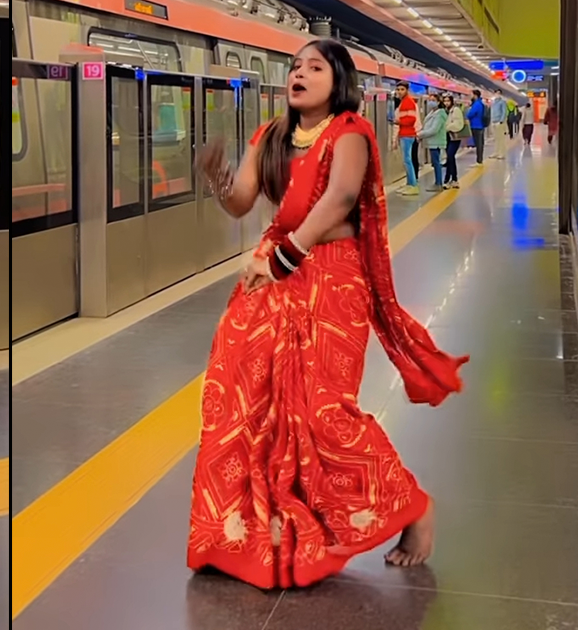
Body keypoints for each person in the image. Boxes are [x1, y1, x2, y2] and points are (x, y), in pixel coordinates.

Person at [191, 38, 467, 590]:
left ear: (338, 80)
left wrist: (285, 259)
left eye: (314, 67)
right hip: (270, 280)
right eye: (295, 67)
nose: (299, 74)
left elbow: (339, 199)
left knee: (323, 410)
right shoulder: (271, 136)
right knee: (242, 400)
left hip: (333, 279)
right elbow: (241, 201)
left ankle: (412, 506)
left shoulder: (351, 133)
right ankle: (248, 531)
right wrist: (219, 179)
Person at [393, 81, 419, 195]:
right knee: (407, 160)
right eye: (398, 89)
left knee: (407, 160)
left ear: (407, 90)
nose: (399, 92)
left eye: (402, 89)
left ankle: (413, 185)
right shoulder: (404, 102)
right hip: (405, 134)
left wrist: (399, 121)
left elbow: (411, 119)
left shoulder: (408, 102)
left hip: (407, 134)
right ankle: (409, 184)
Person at [417, 93, 447, 191]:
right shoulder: (433, 113)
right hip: (432, 141)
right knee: (435, 162)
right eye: (430, 100)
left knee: (436, 162)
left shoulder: (440, 114)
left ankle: (438, 183)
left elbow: (434, 129)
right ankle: (437, 182)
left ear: (438, 102)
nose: (431, 102)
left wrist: (420, 134)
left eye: (433, 100)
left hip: (436, 142)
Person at [442, 94, 465, 189]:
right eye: (445, 101)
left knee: (450, 155)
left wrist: (446, 127)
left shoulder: (456, 110)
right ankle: (452, 180)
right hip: (447, 137)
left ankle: (450, 179)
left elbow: (458, 124)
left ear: (452, 101)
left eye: (448, 101)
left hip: (454, 137)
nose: (446, 103)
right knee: (449, 158)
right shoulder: (444, 111)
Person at [466, 90, 486, 164]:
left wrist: (467, 114)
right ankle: (479, 159)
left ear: (475, 95)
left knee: (479, 143)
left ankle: (479, 160)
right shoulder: (480, 103)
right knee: (480, 143)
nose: (470, 96)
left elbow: (471, 113)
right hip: (479, 125)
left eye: (471, 95)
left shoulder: (477, 104)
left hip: (476, 125)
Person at [489, 89, 507, 159]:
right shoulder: (493, 102)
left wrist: (501, 121)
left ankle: (501, 153)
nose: (497, 94)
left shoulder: (502, 102)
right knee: (495, 138)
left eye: (499, 93)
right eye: (496, 93)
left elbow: (504, 112)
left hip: (499, 122)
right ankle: (496, 152)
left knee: (501, 138)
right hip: (493, 121)